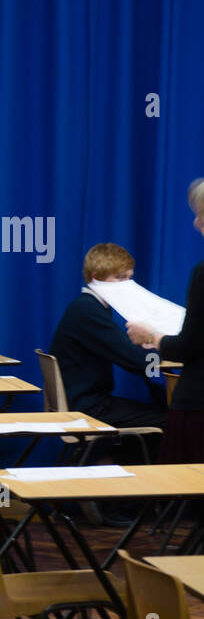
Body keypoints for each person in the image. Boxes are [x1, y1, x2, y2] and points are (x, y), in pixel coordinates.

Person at [50, 243, 165, 492]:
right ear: (96, 279)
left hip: (83, 400)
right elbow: (138, 364)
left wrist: (149, 352)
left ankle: (104, 474)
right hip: (88, 406)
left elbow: (132, 357)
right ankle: (120, 493)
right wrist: (163, 348)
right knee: (167, 422)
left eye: (129, 279)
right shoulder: (89, 311)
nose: (126, 286)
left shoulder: (89, 307)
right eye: (119, 278)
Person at [127, 178, 204, 465]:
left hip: (198, 403)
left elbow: (187, 348)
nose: (196, 223)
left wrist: (154, 337)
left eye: (201, 214)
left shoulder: (202, 274)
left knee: (186, 497)